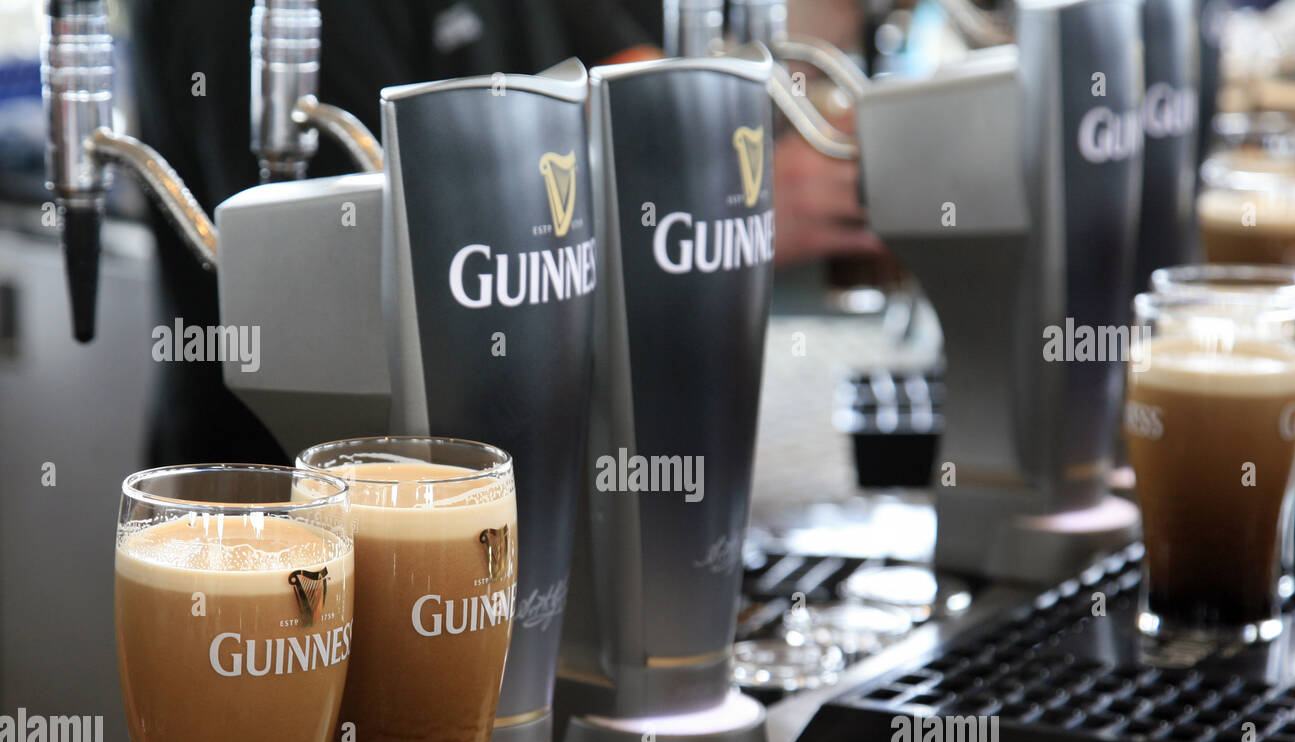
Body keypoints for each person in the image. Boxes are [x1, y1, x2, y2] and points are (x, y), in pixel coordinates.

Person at [128, 0, 879, 466]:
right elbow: (352, 294)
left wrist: (714, 173)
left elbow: (638, 84)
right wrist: (711, 215)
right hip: (294, 522)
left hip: (529, 503)